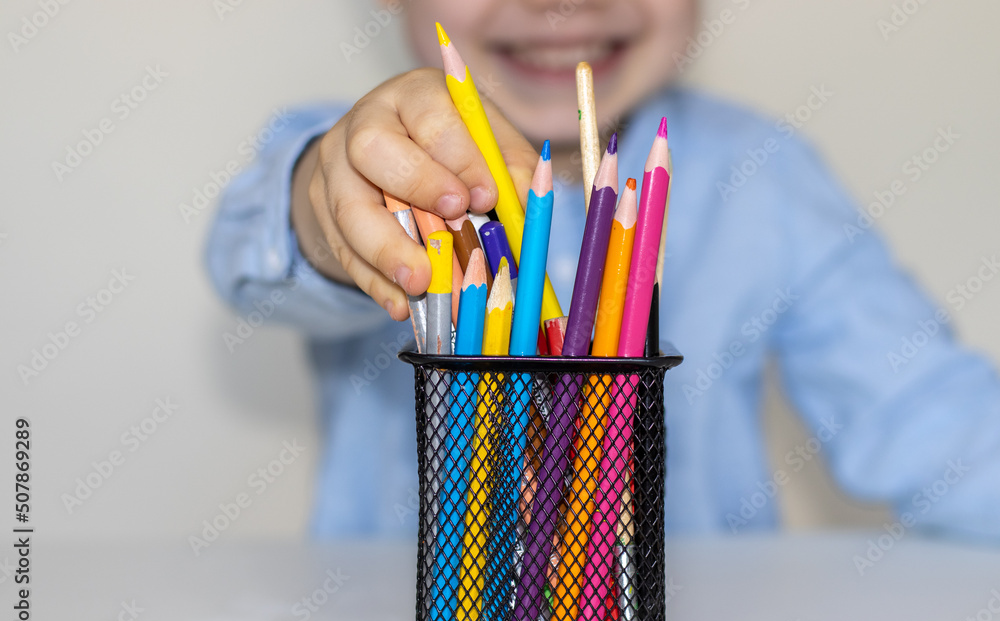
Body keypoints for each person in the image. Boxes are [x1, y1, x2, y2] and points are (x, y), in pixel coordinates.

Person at [206, 0, 1000, 540]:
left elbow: (933, 418)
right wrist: (333, 204)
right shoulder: (368, 150)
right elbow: (253, 253)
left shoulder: (766, 173)